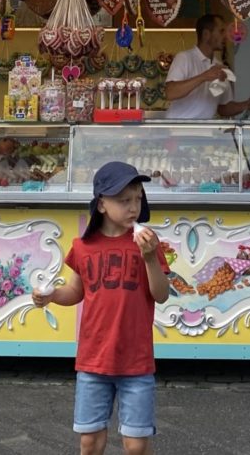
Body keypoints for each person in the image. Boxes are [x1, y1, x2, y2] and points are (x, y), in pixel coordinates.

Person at [33, 161, 171, 454]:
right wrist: (51, 296)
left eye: (138, 198)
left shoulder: (148, 245)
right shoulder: (83, 246)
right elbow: (75, 291)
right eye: (124, 200)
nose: (133, 207)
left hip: (136, 360)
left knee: (136, 444)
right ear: (102, 205)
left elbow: (161, 295)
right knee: (90, 440)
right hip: (93, 359)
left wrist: (149, 259)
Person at [163, 15, 250, 119]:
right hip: (178, 130)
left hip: (205, 131)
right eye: (221, 31)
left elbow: (223, 108)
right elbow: (170, 92)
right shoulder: (185, 58)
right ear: (206, 34)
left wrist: (247, 105)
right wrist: (204, 77)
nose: (226, 36)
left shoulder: (220, 67)